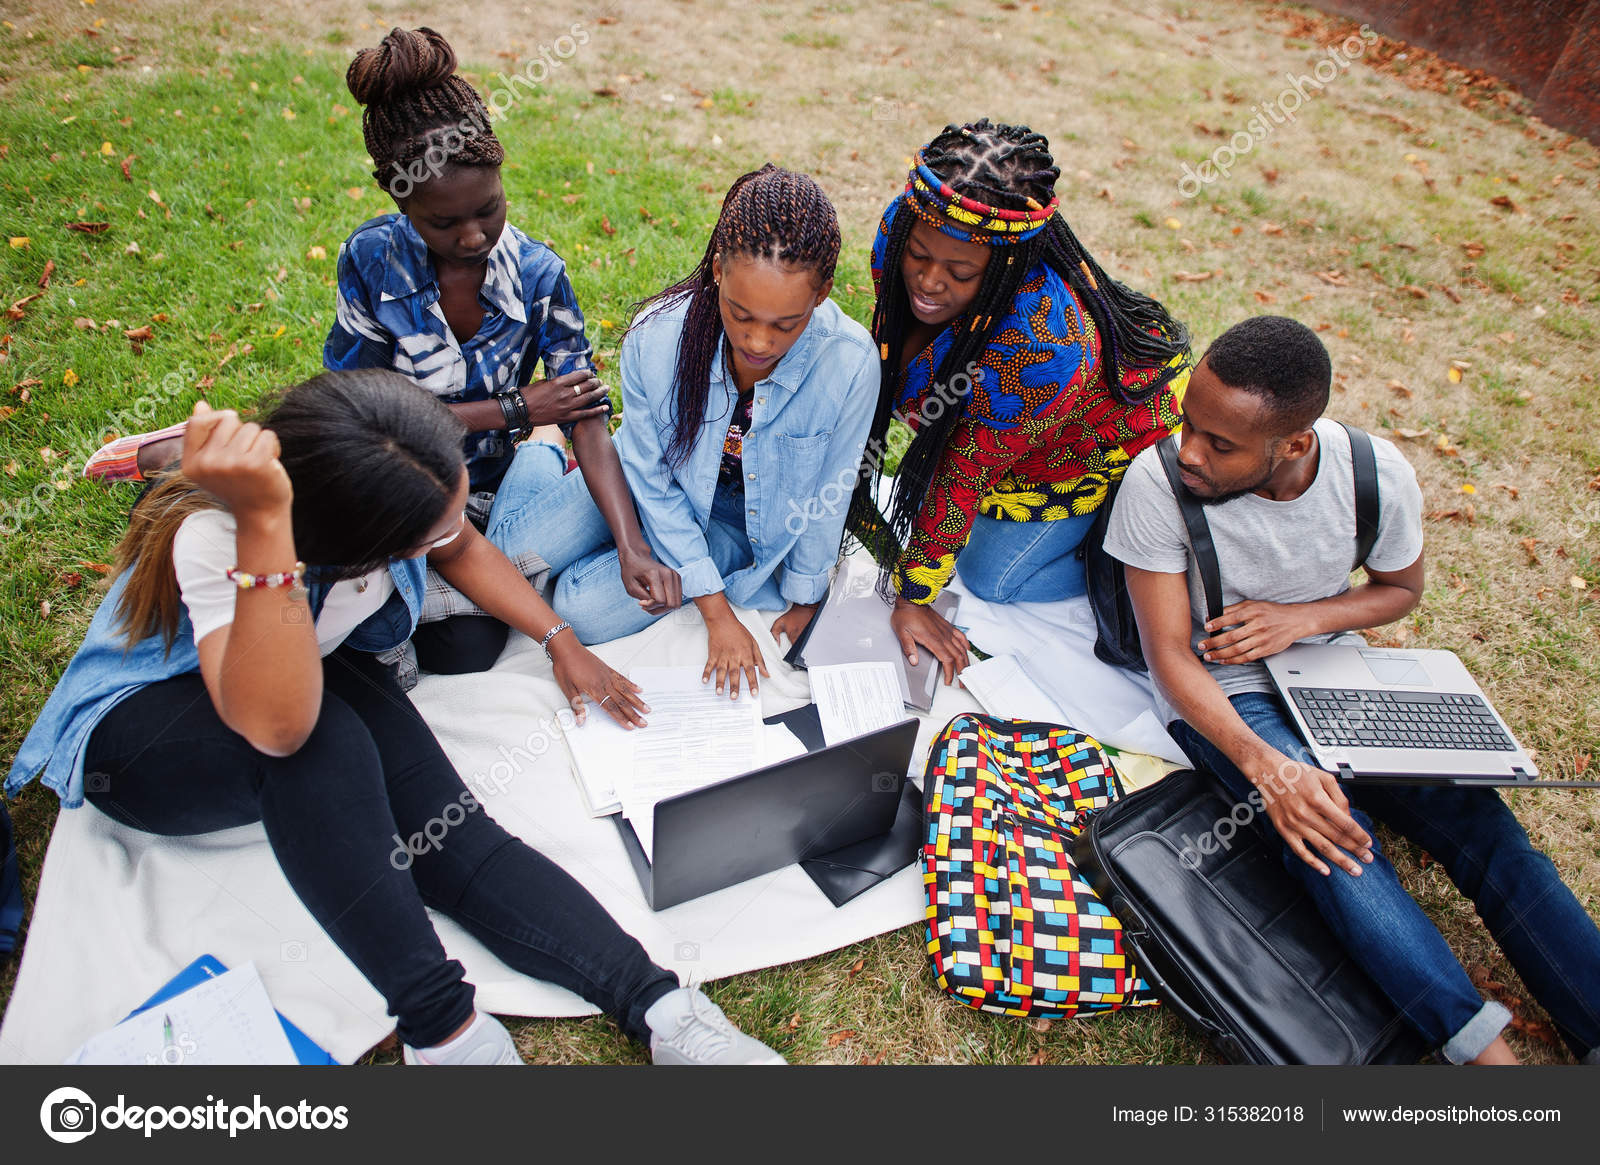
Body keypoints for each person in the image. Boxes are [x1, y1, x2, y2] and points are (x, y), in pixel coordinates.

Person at [8, 370, 784, 1066]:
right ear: (357, 547)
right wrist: (265, 530)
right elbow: (275, 726)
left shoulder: (370, 468)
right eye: (424, 533)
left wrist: (558, 638)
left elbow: (463, 545)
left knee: (453, 834)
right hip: (147, 725)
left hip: (297, 658)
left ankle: (662, 1007)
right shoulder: (222, 534)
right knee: (324, 744)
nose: (447, 535)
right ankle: (443, 1032)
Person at [84, 26, 680, 677]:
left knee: (472, 639)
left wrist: (629, 545)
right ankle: (198, 447)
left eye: (489, 208)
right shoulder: (371, 261)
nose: (474, 235)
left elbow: (586, 415)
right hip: (392, 493)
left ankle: (534, 468)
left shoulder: (541, 276)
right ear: (398, 197)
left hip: (486, 490)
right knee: (456, 639)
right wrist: (515, 407)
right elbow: (360, 418)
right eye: (444, 223)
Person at [1104, 314, 1600, 1065]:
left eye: (1220, 443)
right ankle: (1485, 1054)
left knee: (1490, 832)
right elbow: (1171, 658)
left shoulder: (1376, 473)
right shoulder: (1156, 484)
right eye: (1188, 425)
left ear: (1295, 443)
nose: (1189, 452)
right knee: (1338, 843)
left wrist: (1302, 618)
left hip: (1337, 673)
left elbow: (1400, 590)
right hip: (1226, 694)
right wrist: (1269, 768)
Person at [487, 163, 878, 698]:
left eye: (785, 325)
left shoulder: (851, 363)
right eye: (741, 315)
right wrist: (716, 614)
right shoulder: (658, 337)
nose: (759, 342)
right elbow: (650, 476)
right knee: (505, 557)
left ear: (823, 292)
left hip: (737, 524)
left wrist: (806, 596)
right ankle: (546, 444)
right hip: (642, 483)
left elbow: (830, 493)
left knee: (580, 607)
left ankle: (570, 493)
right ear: (717, 270)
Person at [847, 118, 1192, 687]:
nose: (929, 282)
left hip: (1091, 448)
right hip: (1020, 430)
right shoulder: (909, 221)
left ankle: (1123, 548)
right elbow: (891, 353)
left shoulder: (1046, 346)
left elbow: (962, 474)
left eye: (960, 273)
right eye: (919, 256)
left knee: (990, 579)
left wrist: (912, 597)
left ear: (1008, 265)